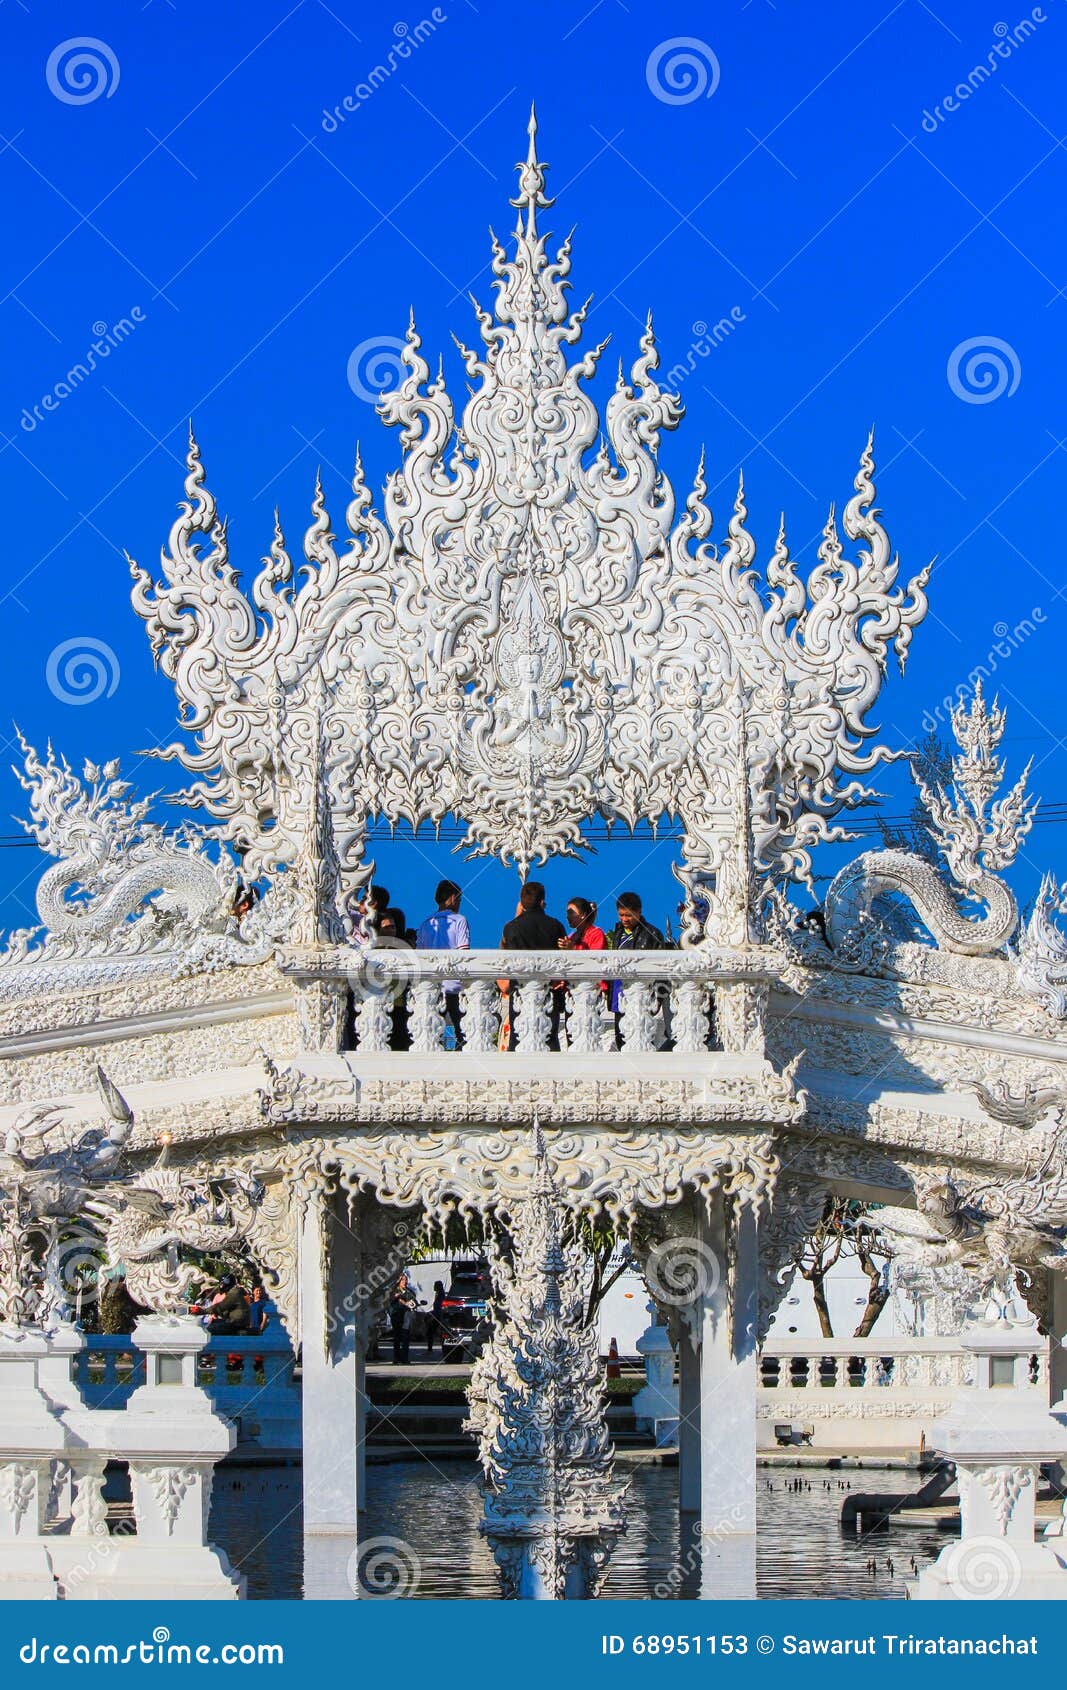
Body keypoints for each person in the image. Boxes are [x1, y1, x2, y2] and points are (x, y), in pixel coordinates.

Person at [500, 881, 568, 1050]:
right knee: (549, 1040)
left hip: (520, 994)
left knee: (518, 1039)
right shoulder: (555, 926)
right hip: (548, 993)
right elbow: (564, 960)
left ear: (521, 902)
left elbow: (505, 959)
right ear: (542, 901)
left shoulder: (511, 927)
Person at [416, 880, 470, 1049]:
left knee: (432, 1034)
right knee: (463, 1033)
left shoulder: (425, 924)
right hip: (455, 987)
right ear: (453, 898)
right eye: (459, 900)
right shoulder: (459, 920)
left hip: (433, 988)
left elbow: (420, 957)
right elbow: (464, 954)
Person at [608, 892, 665, 1047]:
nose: (625, 919)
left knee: (644, 1039)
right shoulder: (618, 933)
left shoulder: (652, 935)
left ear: (639, 912)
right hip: (619, 995)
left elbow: (664, 970)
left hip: (643, 997)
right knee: (622, 1039)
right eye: (621, 915)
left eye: (629, 915)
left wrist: (658, 999)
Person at [389, 1273, 417, 1365]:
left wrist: (412, 1303)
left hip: (406, 1316)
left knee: (405, 1336)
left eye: (406, 1280)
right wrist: (400, 1299)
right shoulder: (394, 1291)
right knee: (397, 1336)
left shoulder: (409, 1291)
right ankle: (396, 1358)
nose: (405, 1282)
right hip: (396, 1315)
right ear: (398, 1281)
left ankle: (405, 1358)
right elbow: (392, 1299)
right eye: (403, 1280)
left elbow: (414, 1300)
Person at [425, 1278, 446, 1357]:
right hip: (436, 1315)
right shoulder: (438, 1294)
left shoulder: (441, 1295)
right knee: (431, 1332)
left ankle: (432, 1348)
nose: (434, 1287)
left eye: (435, 1285)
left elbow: (439, 1307)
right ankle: (430, 1348)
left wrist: (432, 1315)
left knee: (433, 1332)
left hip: (438, 1316)